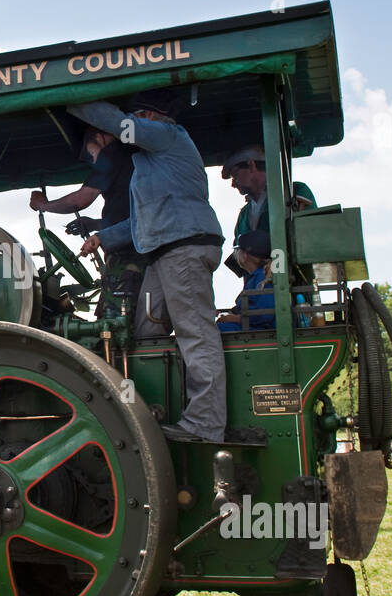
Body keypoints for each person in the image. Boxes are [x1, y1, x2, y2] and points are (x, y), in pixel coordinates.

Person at [73, 90, 226, 443]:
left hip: (183, 248)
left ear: (152, 118)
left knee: (195, 333)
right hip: (164, 252)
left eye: (140, 116)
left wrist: (71, 100)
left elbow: (119, 125)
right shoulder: (151, 166)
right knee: (143, 332)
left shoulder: (170, 135)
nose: (137, 124)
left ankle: (205, 425)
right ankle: (153, 416)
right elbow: (142, 221)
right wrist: (103, 238)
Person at [29, 127, 145, 318]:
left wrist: (43, 205)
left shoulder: (114, 152)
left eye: (90, 153)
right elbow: (130, 217)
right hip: (139, 247)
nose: (93, 160)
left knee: (114, 321)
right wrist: (94, 225)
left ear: (100, 137)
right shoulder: (134, 159)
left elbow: (80, 200)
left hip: (128, 255)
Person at [221, 144, 316, 245]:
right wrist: (238, 254)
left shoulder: (295, 191)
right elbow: (236, 246)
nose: (233, 184)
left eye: (235, 175)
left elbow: (308, 235)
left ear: (251, 165)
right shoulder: (243, 215)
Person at [217, 231, 276, 331]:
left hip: (257, 330)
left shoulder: (263, 278)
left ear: (245, 255)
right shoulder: (254, 277)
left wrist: (235, 318)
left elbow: (266, 314)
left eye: (237, 250)